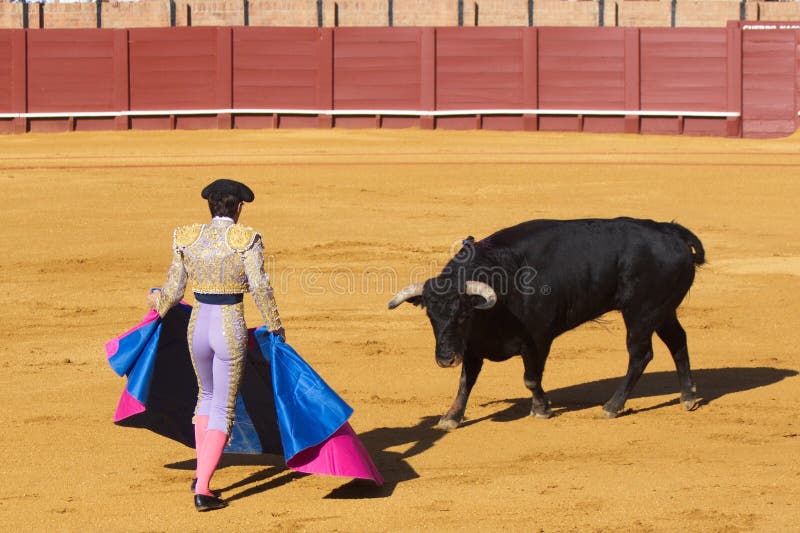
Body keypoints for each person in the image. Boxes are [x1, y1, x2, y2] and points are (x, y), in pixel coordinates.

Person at [147, 178, 284, 512]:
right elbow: (261, 288)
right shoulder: (245, 239)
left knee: (205, 398)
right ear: (238, 208)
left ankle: (201, 473)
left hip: (197, 327)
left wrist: (157, 303)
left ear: (210, 206)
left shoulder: (187, 236)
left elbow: (173, 290)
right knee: (223, 407)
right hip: (228, 326)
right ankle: (204, 489)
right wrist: (276, 326)